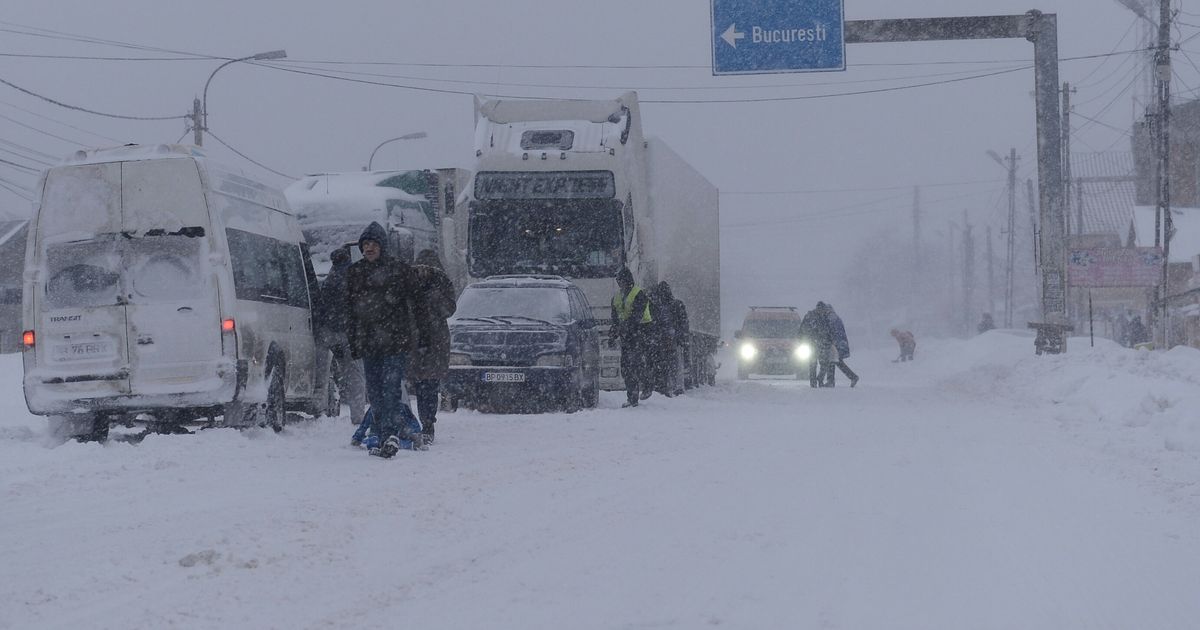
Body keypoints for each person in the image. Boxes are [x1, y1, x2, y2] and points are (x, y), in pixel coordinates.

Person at [346, 221, 426, 458]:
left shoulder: (399, 270)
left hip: (395, 342)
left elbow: (418, 303)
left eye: (373, 244)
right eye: (365, 244)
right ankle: (381, 435)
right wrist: (353, 341)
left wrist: (421, 335)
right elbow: (349, 311)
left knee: (391, 388)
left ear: (382, 246)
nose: (368, 248)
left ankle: (390, 434)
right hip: (369, 343)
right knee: (374, 391)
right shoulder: (355, 273)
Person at [405, 249, 457, 444]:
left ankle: (428, 423)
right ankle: (422, 421)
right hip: (415, 341)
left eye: (427, 268)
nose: (423, 271)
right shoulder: (409, 283)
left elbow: (449, 309)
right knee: (420, 385)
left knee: (430, 384)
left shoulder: (441, 283)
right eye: (420, 267)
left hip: (435, 342)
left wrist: (434, 297)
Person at [312, 246, 367, 426]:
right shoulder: (356, 276)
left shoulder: (330, 278)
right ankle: (357, 415)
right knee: (355, 376)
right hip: (349, 334)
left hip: (327, 332)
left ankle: (318, 409)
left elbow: (321, 306)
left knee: (321, 373)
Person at [611, 267, 653, 407]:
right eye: (618, 281)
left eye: (622, 280)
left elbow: (637, 316)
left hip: (641, 332)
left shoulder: (638, 294)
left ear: (628, 280)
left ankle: (647, 385)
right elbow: (615, 318)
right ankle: (632, 398)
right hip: (627, 336)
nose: (620, 283)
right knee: (626, 367)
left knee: (636, 363)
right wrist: (613, 334)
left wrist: (625, 327)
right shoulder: (616, 297)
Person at [815, 302, 858, 388]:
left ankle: (832, 380)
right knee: (834, 361)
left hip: (836, 344)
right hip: (839, 343)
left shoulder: (831, 318)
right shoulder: (835, 317)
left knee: (833, 361)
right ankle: (849, 378)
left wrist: (831, 341)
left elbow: (832, 332)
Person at [647, 281, 678, 397]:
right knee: (667, 364)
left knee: (659, 363)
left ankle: (660, 386)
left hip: (659, 339)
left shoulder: (654, 306)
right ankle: (666, 386)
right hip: (667, 338)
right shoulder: (673, 305)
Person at [799, 305, 824, 388]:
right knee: (820, 363)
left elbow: (801, 329)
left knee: (813, 364)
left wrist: (801, 339)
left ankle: (814, 382)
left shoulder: (809, 316)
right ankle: (817, 381)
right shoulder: (819, 317)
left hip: (812, 343)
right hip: (816, 343)